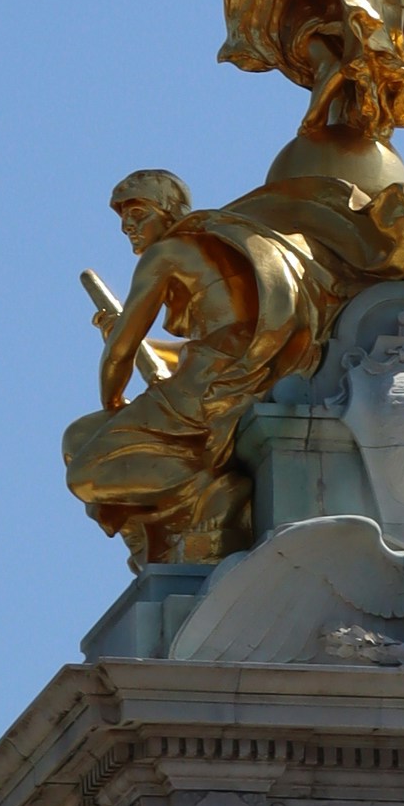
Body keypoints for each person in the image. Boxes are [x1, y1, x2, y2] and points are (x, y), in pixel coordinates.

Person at [62, 168, 331, 564]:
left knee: (84, 474)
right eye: (123, 219)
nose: (128, 227)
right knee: (80, 436)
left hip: (215, 380)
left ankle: (207, 489)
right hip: (226, 368)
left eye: (138, 213)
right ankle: (158, 534)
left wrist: (114, 399)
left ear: (167, 211)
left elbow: (122, 350)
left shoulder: (166, 253)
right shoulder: (215, 242)